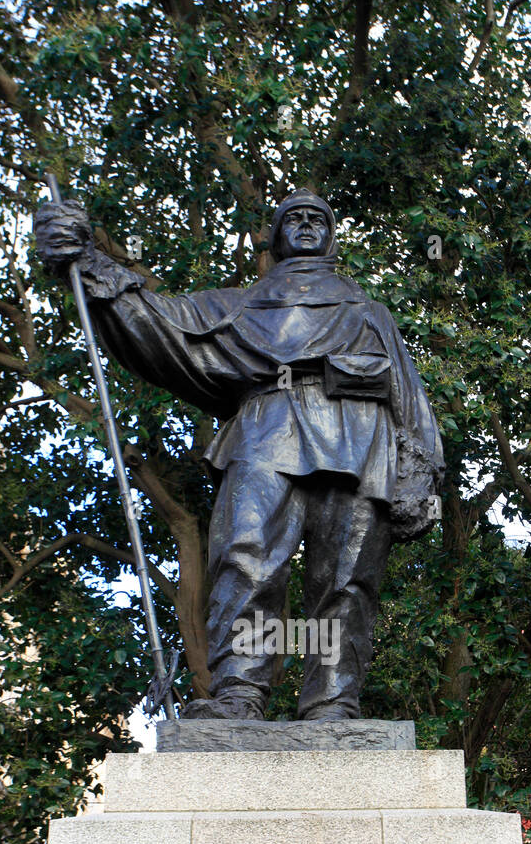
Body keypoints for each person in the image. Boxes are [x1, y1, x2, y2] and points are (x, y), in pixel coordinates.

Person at [35, 188, 443, 720]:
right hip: (265, 431)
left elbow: (409, 397)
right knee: (244, 559)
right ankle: (239, 694)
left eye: (315, 217)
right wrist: (83, 259)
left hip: (361, 441)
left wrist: (422, 474)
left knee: (346, 578)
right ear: (273, 238)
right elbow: (157, 322)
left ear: (333, 237)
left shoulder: (370, 313)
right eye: (291, 217)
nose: (303, 223)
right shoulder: (235, 306)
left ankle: (333, 703)